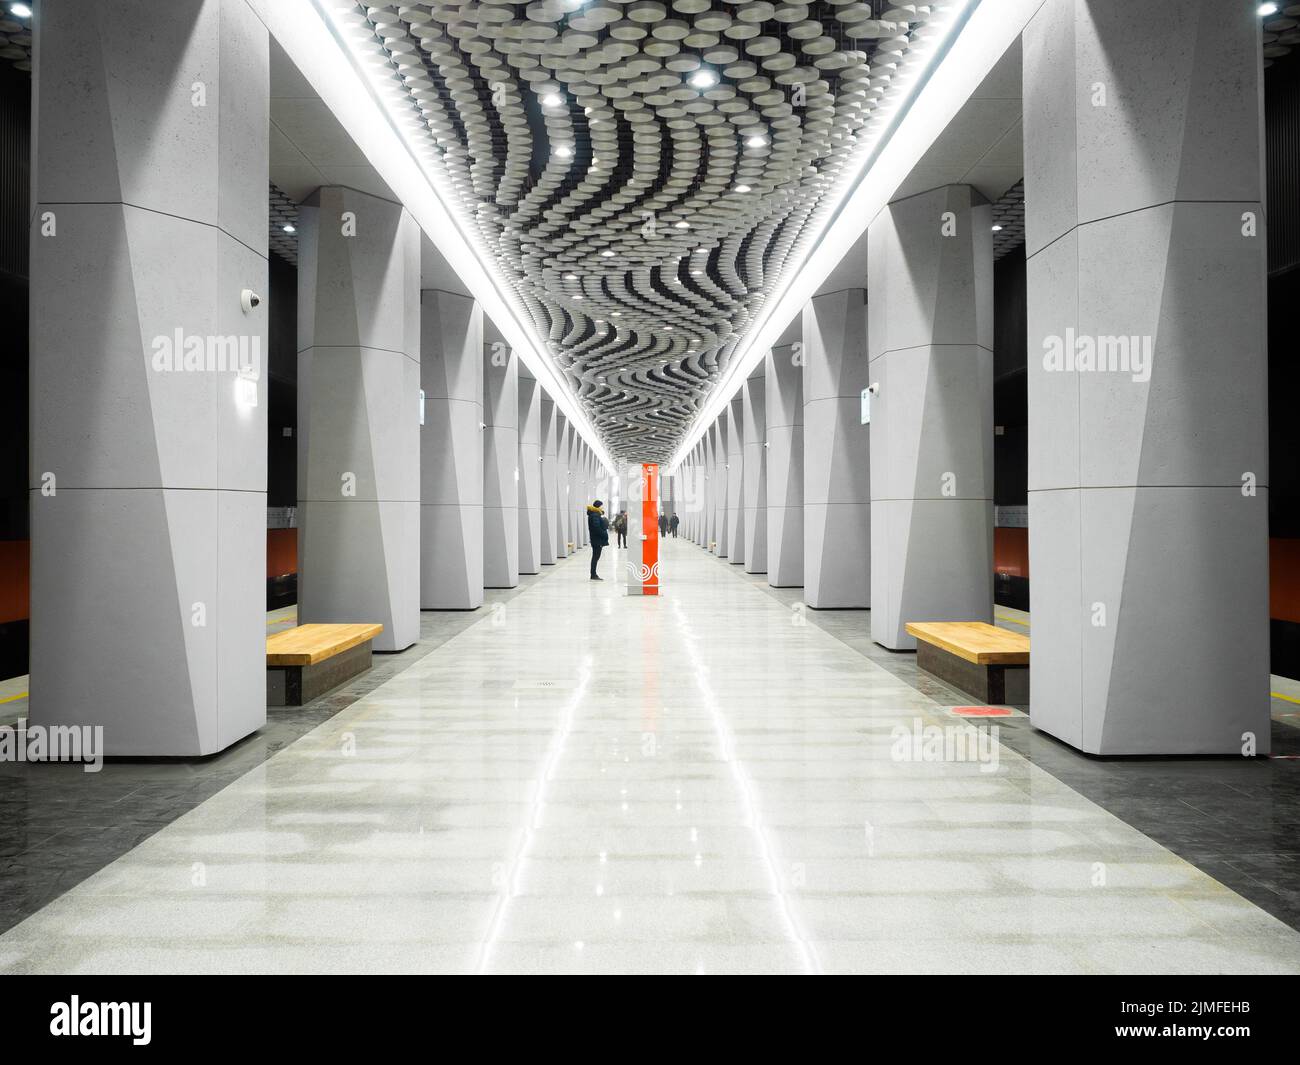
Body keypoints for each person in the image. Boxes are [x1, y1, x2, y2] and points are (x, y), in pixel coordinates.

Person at [587, 500, 609, 580]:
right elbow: (597, 528)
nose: (602, 507)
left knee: (595, 557)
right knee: (596, 557)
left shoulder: (594, 514)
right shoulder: (595, 515)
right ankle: (593, 575)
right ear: (598, 506)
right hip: (597, 540)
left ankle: (593, 574)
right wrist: (604, 533)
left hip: (595, 539)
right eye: (601, 506)